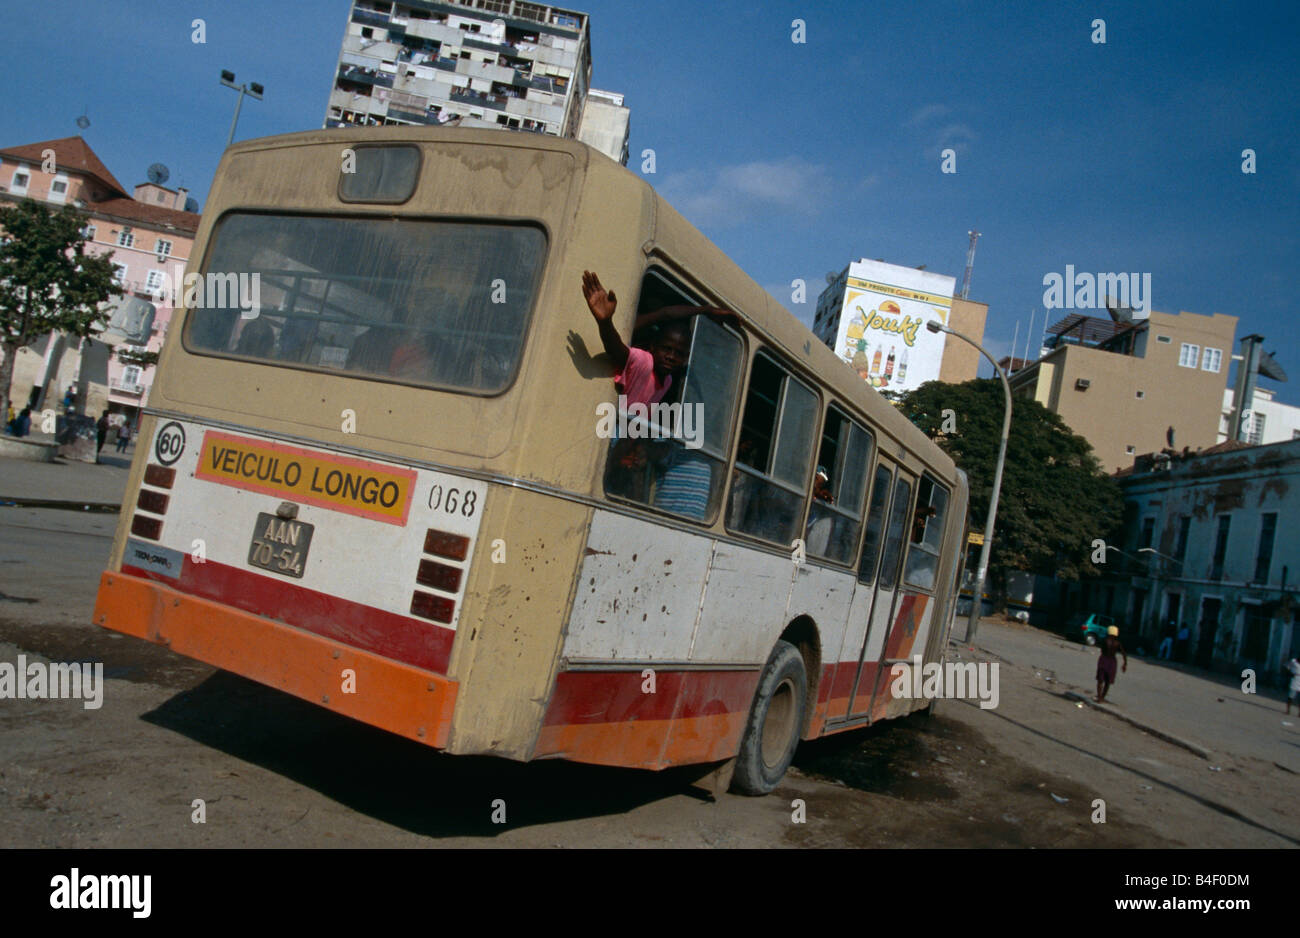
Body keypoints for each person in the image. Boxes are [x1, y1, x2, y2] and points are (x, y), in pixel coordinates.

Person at [1096, 625, 1128, 703]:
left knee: (1100, 680)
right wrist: (1124, 664)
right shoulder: (1118, 643)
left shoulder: (1104, 640)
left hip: (1103, 659)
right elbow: (1124, 654)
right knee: (1108, 681)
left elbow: (1101, 649)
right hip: (1112, 662)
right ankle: (1102, 697)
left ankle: (1099, 697)